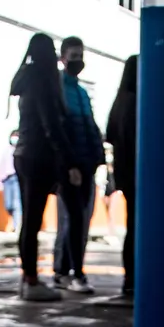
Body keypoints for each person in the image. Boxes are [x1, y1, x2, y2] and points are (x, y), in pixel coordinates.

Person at [9, 32, 76, 302]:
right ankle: (33, 280)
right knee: (35, 221)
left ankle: (27, 279)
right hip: (39, 157)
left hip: (23, 153)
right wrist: (69, 159)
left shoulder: (25, 78)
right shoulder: (43, 80)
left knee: (29, 222)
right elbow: (51, 124)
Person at [52, 37, 104, 294]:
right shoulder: (59, 89)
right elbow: (61, 131)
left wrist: (97, 159)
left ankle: (70, 270)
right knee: (70, 221)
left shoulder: (82, 93)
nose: (78, 60)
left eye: (80, 55)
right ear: (62, 58)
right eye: (73, 55)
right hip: (70, 167)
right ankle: (67, 272)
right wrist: (68, 164)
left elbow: (91, 129)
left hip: (87, 166)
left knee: (81, 221)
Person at [104, 55, 137, 298]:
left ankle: (130, 278)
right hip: (142, 173)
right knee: (142, 228)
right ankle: (138, 276)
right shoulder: (141, 102)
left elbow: (111, 135)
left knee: (132, 226)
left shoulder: (119, 103)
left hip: (125, 174)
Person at [0, 129, 21, 233]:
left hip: (17, 178)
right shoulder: (7, 150)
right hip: (7, 179)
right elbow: (2, 166)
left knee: (17, 203)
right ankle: (16, 221)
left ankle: (17, 226)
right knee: (8, 204)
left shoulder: (20, 150)